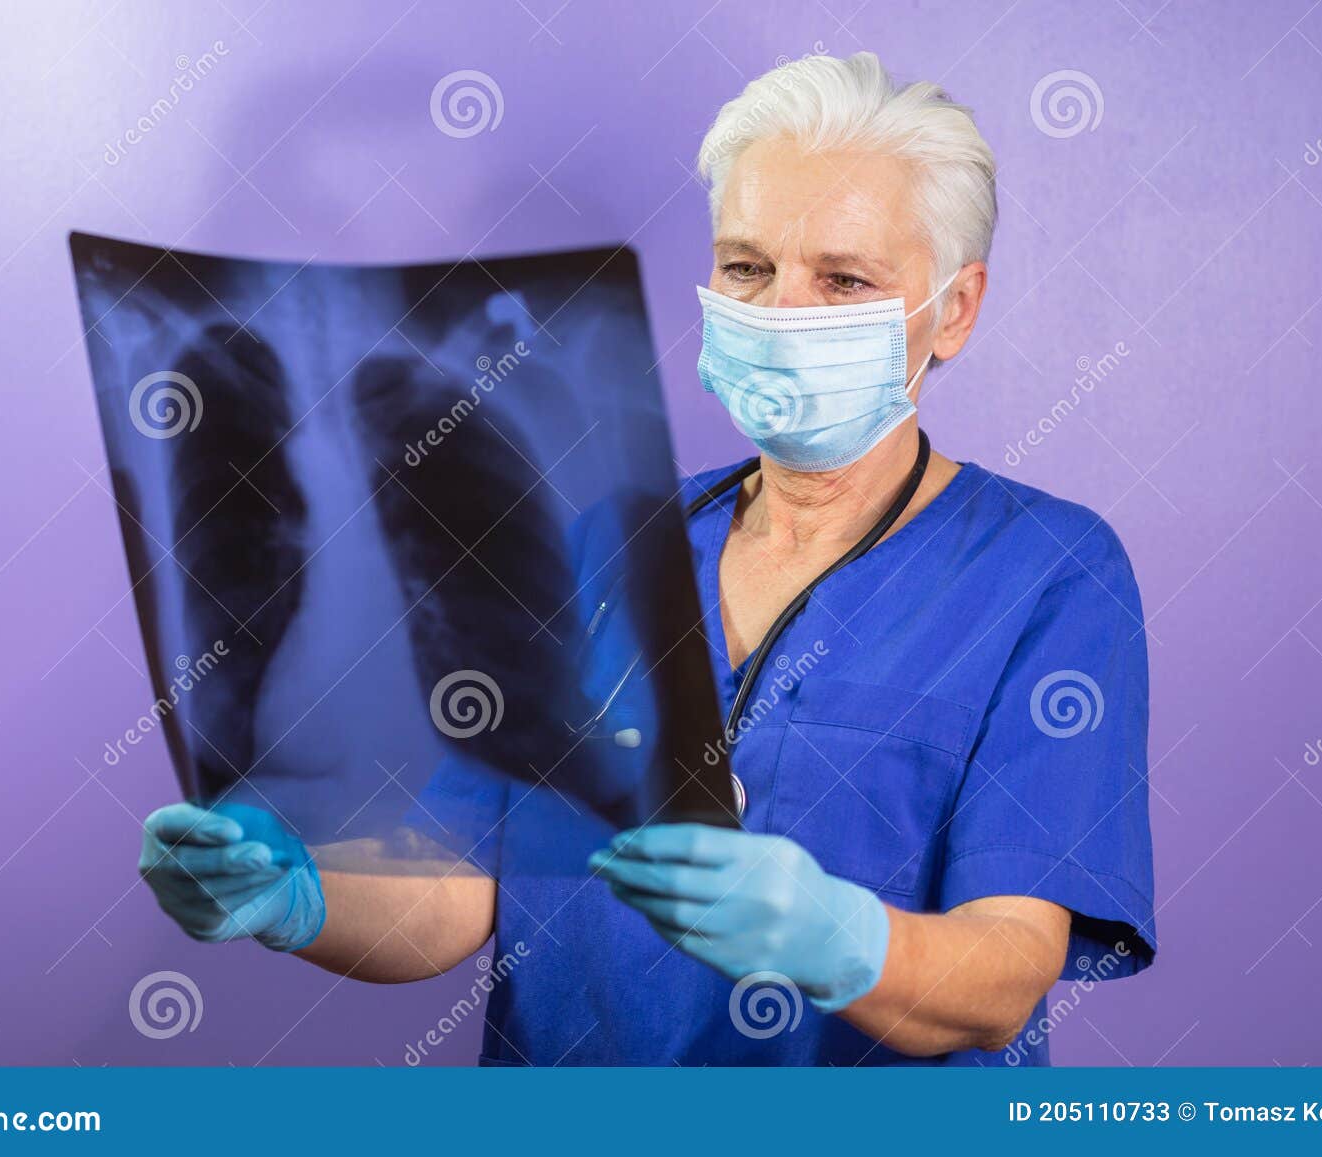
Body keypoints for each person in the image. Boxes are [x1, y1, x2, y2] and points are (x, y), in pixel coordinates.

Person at [138, 51, 1155, 1066]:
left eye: (844, 278)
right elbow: (452, 897)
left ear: (956, 308)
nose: (781, 311)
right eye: (747, 266)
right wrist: (293, 894)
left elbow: (1005, 970)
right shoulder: (597, 548)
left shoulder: (1045, 572)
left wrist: (840, 938)